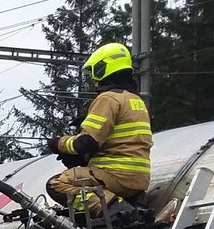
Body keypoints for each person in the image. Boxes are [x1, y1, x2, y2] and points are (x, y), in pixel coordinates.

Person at [46, 42, 153, 217]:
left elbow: (87, 142)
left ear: (104, 68)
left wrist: (59, 144)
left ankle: (118, 210)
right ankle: (130, 203)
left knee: (56, 183)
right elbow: (121, 144)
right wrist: (84, 160)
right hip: (139, 179)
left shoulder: (108, 99)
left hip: (115, 175)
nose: (94, 79)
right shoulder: (136, 101)